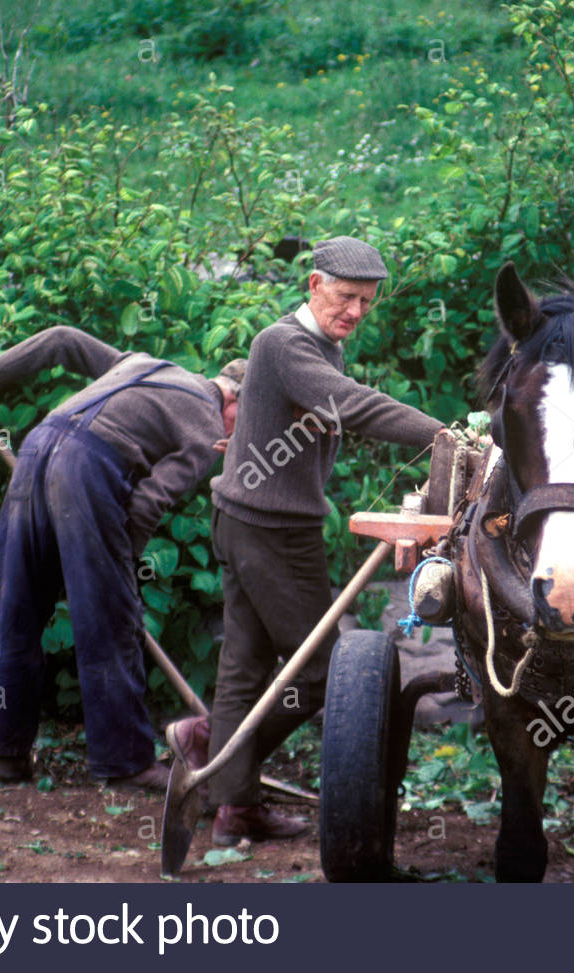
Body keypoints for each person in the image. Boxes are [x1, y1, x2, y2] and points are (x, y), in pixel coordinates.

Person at [164, 236, 444, 851]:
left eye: (367, 303)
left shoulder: (315, 347)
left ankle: (232, 806)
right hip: (273, 533)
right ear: (313, 286)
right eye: (346, 297)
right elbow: (352, 407)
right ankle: (214, 752)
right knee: (320, 673)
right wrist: (445, 436)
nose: (355, 313)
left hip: (244, 521)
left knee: (244, 668)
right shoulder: (286, 344)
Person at [0, 326, 243, 791]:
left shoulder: (142, 362)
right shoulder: (206, 424)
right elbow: (146, 505)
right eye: (241, 426)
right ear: (233, 403)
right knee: (111, 618)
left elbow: (62, 339)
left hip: (38, 448)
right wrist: (119, 575)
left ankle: (8, 754)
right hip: (88, 466)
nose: (233, 440)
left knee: (17, 608)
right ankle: (125, 764)